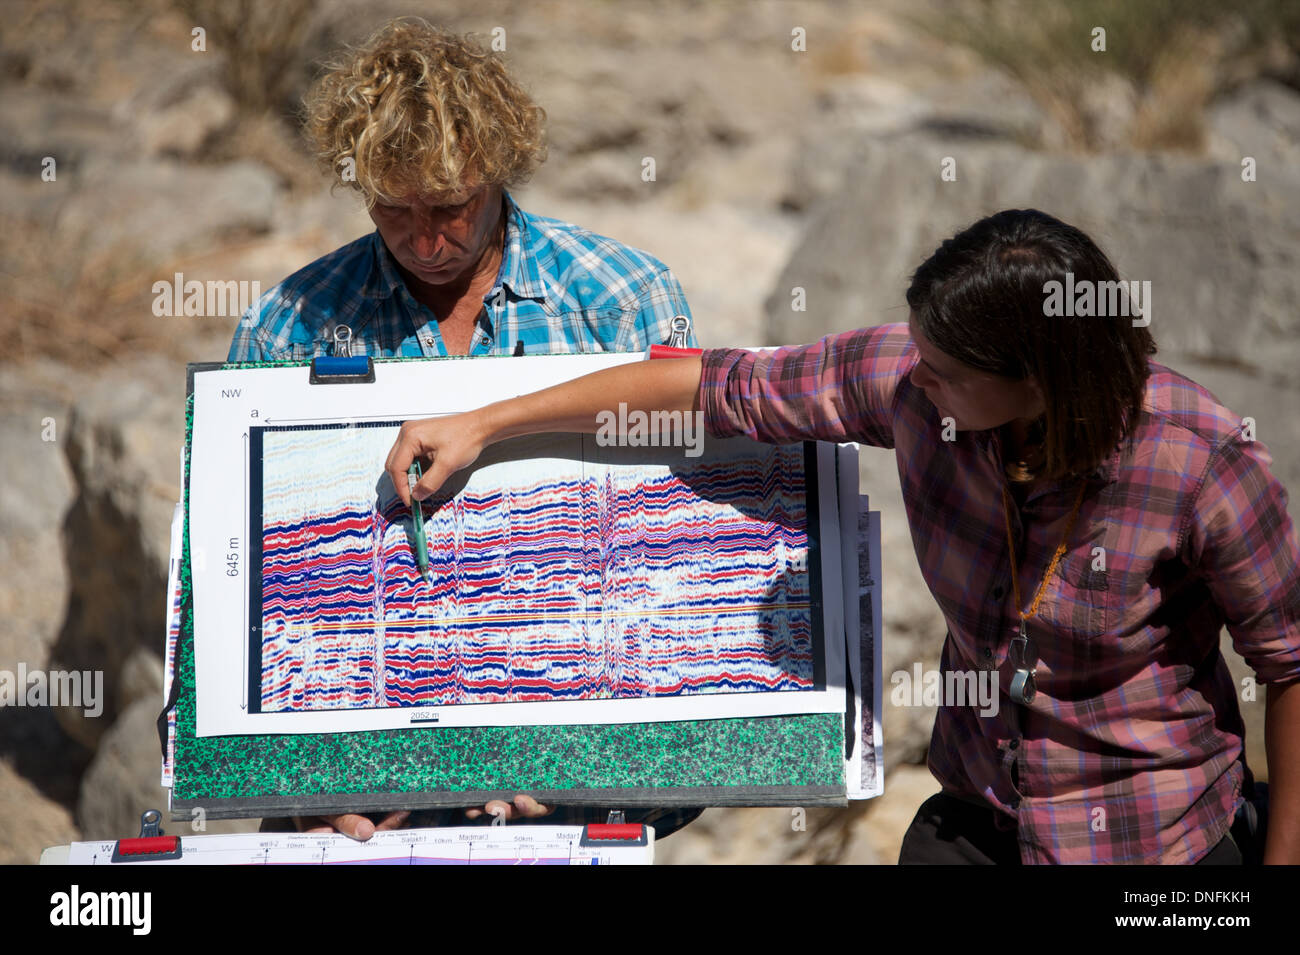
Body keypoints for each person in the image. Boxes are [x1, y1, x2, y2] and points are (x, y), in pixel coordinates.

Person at [385, 209, 1300, 864]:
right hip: (977, 822)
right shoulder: (910, 382)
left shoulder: (1204, 458)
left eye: (943, 371)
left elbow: (1290, 664)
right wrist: (486, 422)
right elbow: (707, 384)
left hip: (1161, 841)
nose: (917, 379)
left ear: (1037, 378)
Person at [232, 17, 703, 840]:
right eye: (392, 208)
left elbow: (679, 545)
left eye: (451, 207)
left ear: (500, 170)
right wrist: (297, 780)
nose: (424, 240)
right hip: (360, 792)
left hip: (579, 764)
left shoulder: (624, 299)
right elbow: (237, 579)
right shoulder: (288, 328)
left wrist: (597, 765)